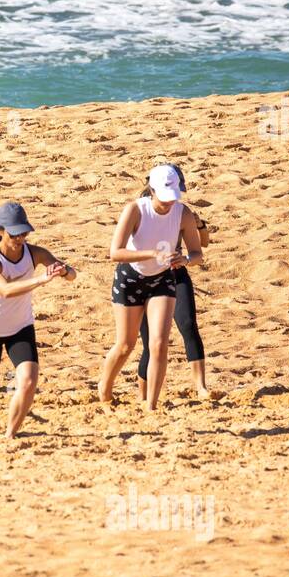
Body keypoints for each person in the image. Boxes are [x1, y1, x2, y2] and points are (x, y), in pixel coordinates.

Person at [0, 201, 75, 438]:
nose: (20, 238)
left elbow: (72, 275)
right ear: (0, 230)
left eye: (24, 232)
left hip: (20, 328)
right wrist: (41, 280)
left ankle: (10, 435)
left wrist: (63, 271)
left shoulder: (35, 253)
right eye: (15, 233)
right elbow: (5, 290)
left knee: (29, 381)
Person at [99, 165, 204, 411]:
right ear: (153, 190)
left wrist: (186, 260)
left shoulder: (183, 213)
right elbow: (115, 253)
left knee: (159, 343)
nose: (169, 203)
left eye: (173, 198)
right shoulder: (136, 210)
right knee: (126, 345)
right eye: (164, 198)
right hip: (131, 278)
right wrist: (149, 254)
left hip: (162, 279)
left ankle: (151, 406)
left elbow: (198, 252)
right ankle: (105, 387)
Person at [135, 165, 211, 399]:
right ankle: (143, 395)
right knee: (150, 342)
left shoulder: (181, 212)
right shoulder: (140, 209)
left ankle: (200, 387)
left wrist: (198, 227)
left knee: (188, 325)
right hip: (144, 277)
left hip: (175, 273)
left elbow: (202, 247)